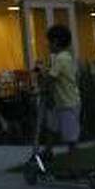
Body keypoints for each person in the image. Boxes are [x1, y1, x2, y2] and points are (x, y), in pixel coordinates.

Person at [34, 24, 81, 157]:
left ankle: (73, 159)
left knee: (70, 135)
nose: (48, 45)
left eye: (49, 42)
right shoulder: (64, 57)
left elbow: (51, 78)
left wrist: (41, 80)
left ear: (56, 42)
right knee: (52, 126)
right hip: (60, 102)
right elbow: (54, 75)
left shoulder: (61, 59)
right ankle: (48, 151)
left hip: (68, 103)